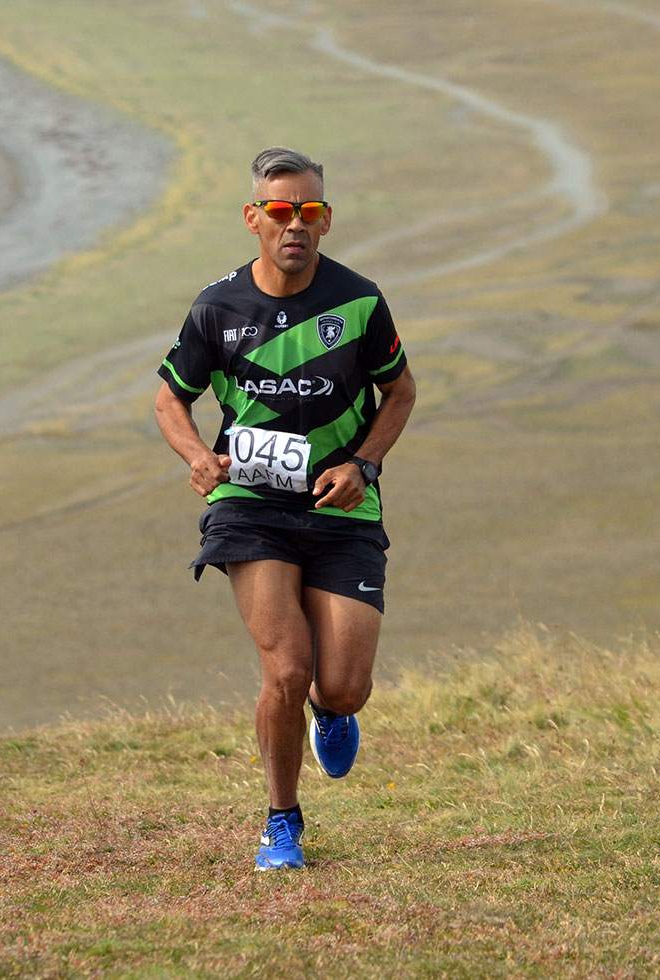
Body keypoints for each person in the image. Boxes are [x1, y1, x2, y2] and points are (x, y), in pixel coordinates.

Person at [154, 147, 416, 870]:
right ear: (253, 219)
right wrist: (198, 458)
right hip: (250, 507)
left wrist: (363, 464)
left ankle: (333, 714)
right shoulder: (218, 305)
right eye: (278, 211)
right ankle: (282, 823)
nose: (292, 224)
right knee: (286, 670)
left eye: (307, 211)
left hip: (343, 512)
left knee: (342, 686)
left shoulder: (359, 301)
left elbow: (400, 392)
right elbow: (170, 396)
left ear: (325, 220)